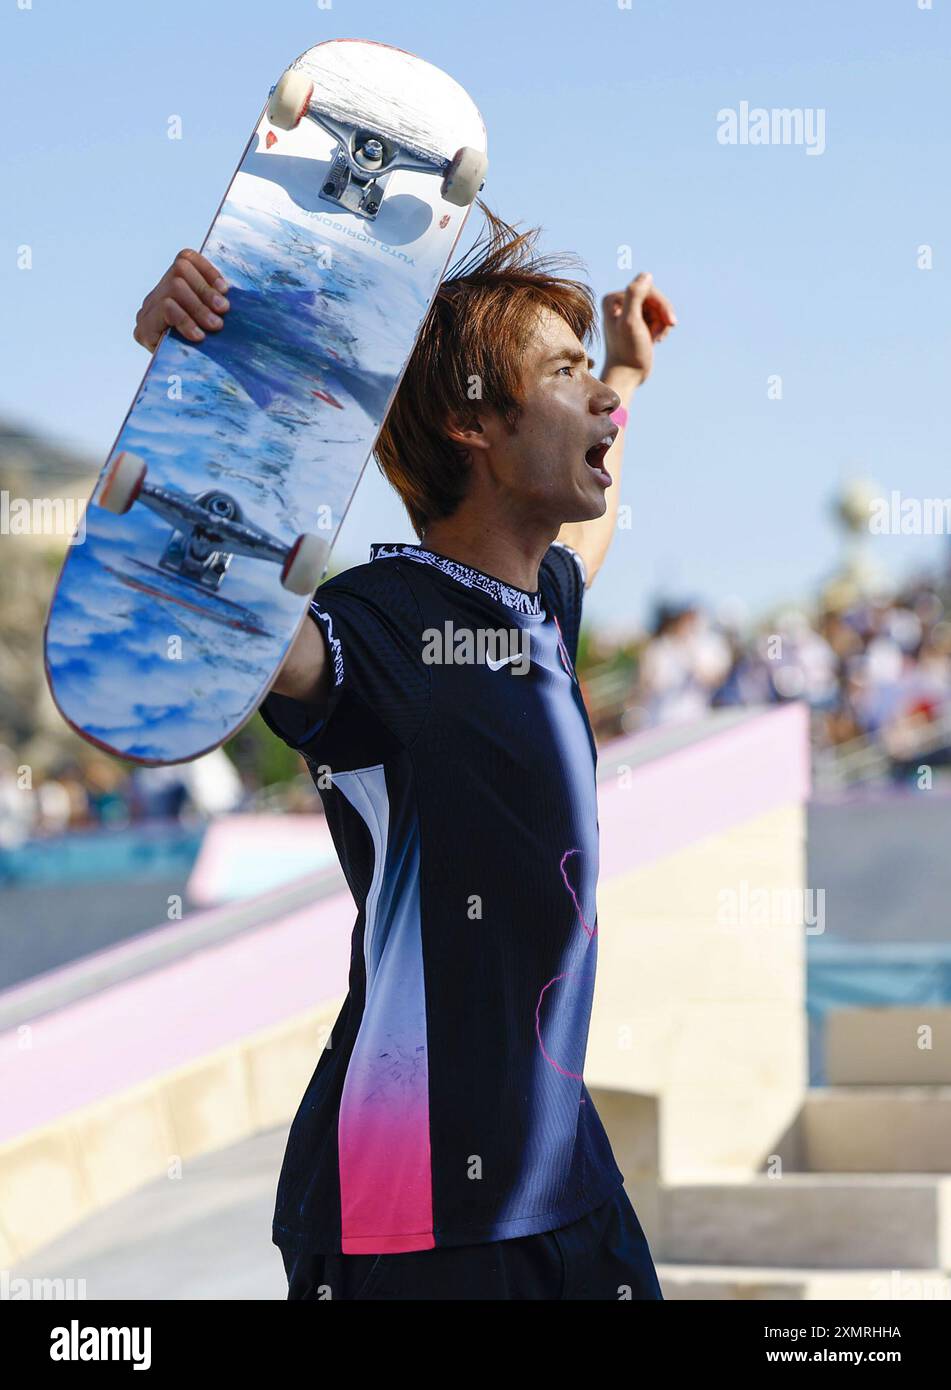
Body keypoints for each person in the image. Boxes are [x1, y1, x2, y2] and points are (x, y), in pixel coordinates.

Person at [132, 208, 676, 1301]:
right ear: (473, 424)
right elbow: (230, 613)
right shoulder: (373, 627)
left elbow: (586, 536)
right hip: (412, 1213)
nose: (602, 400)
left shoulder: (539, 605)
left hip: (566, 1182)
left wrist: (625, 368)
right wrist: (188, 378)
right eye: (565, 375)